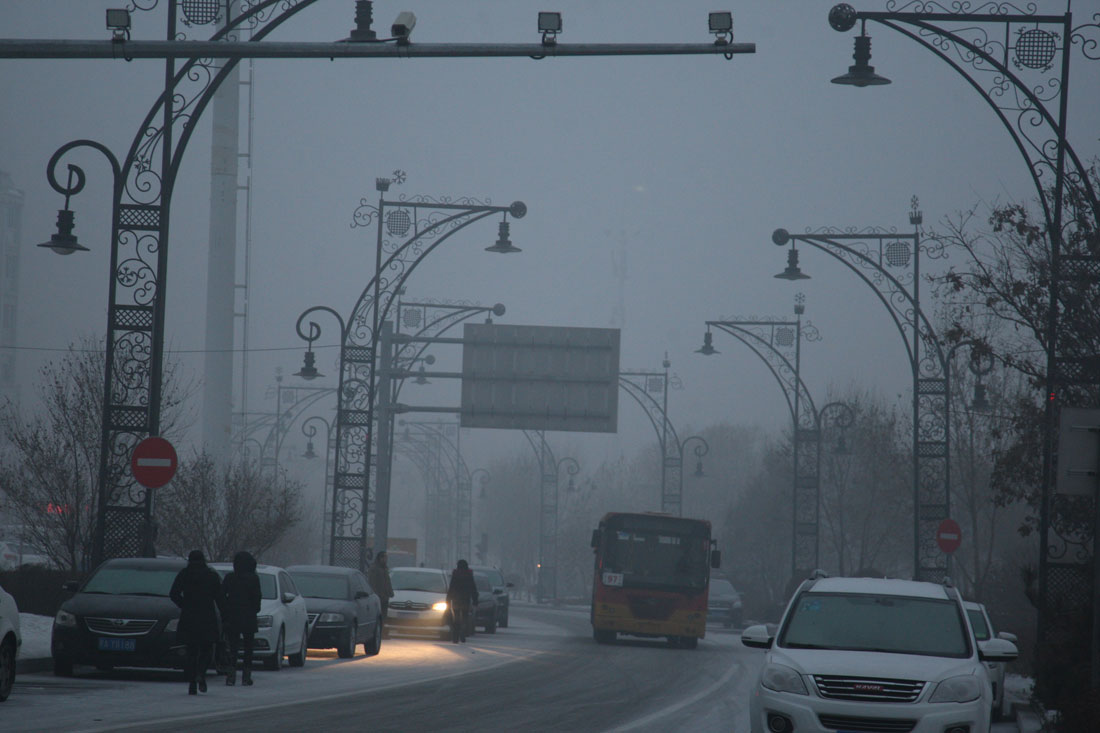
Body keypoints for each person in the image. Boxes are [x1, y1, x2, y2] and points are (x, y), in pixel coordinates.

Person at [170, 550, 223, 695]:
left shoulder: (184, 574)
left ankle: (192, 682)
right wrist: (223, 613)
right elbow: (219, 597)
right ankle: (201, 673)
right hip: (207, 616)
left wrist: (184, 605)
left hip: (189, 616)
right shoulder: (211, 576)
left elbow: (173, 593)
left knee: (191, 650)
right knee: (206, 649)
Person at [220, 550, 261, 686]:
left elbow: (221, 596)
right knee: (248, 647)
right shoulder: (254, 579)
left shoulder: (230, 578)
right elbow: (257, 598)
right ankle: (246, 676)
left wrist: (225, 611)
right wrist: (254, 609)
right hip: (249, 617)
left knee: (233, 647)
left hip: (232, 616)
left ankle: (231, 676)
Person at [446, 559, 478, 644]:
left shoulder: (455, 574)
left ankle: (455, 637)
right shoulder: (469, 575)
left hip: (456, 599)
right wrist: (475, 600)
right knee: (464, 617)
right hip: (465, 600)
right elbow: (473, 588)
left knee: (456, 617)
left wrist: (448, 600)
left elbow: (451, 587)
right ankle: (463, 633)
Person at [367, 551, 395, 621]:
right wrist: (376, 595)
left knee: (384, 616)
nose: (386, 559)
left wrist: (390, 592)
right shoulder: (374, 568)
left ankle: (383, 629)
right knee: (377, 616)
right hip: (378, 598)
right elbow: (372, 583)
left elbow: (388, 582)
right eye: (384, 557)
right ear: (380, 558)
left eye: (386, 557)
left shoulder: (385, 569)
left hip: (385, 598)